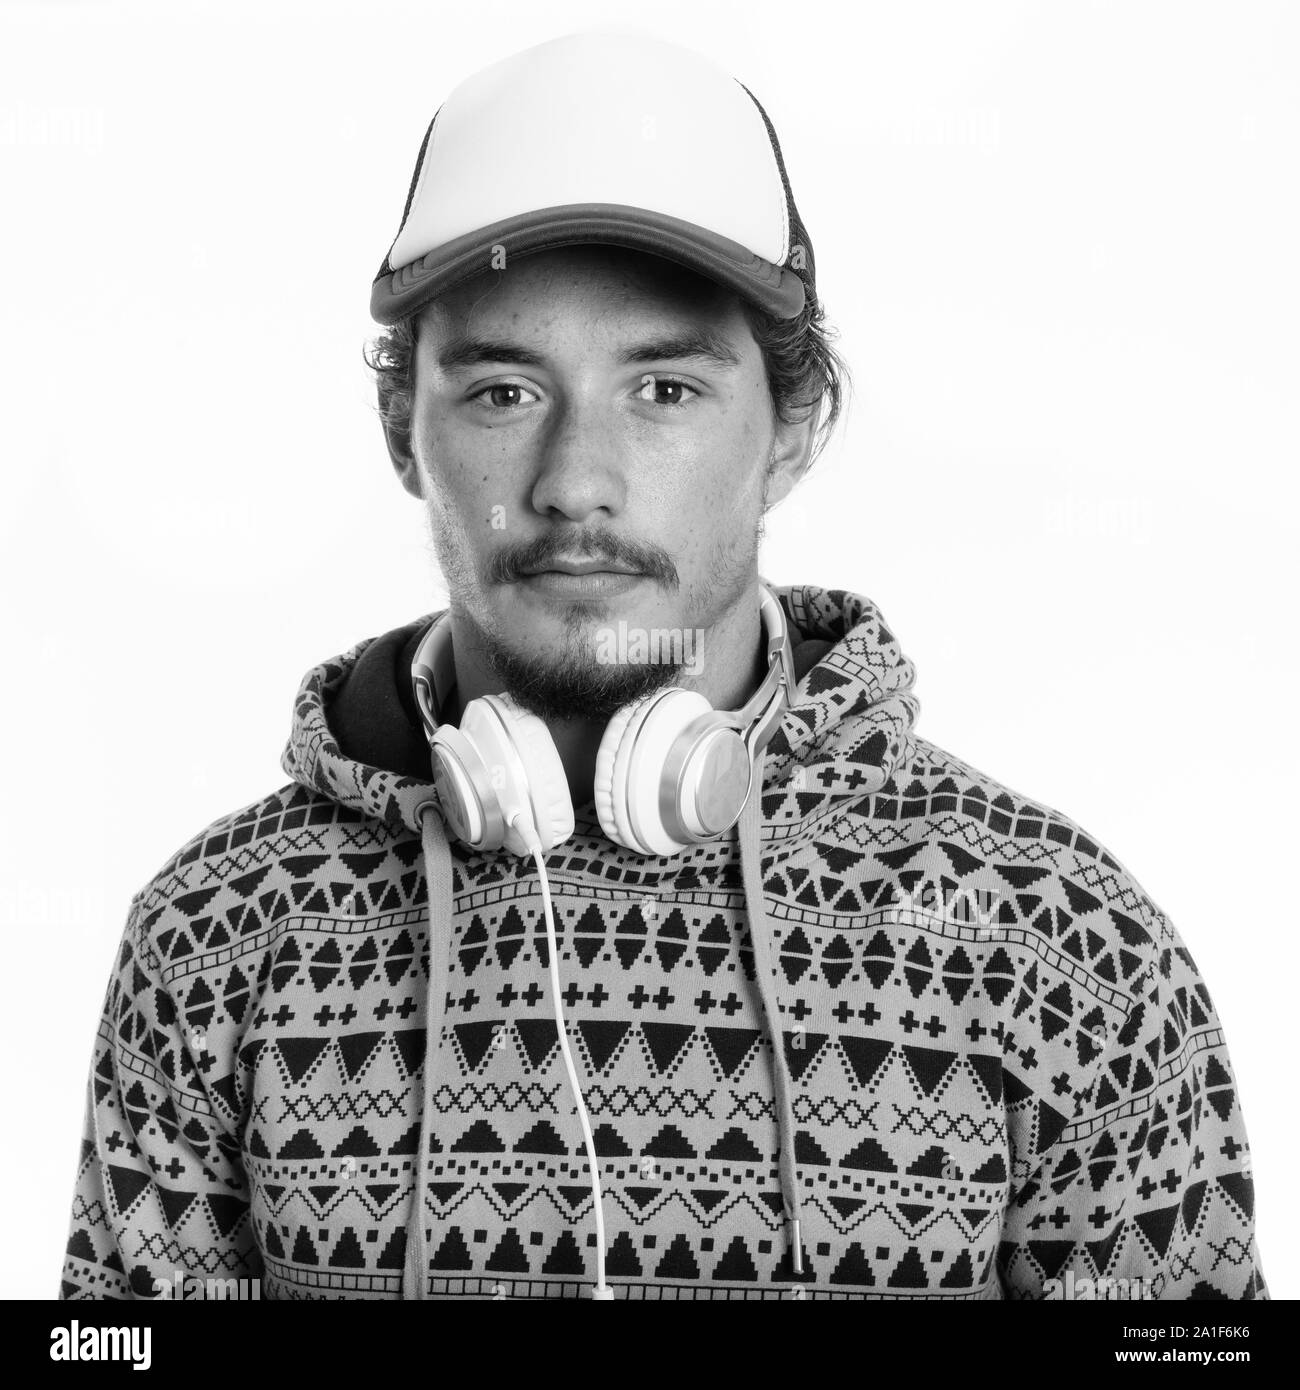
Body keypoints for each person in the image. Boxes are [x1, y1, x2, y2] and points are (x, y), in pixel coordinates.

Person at [59, 31, 1267, 1301]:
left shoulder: (1059, 942)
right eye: (505, 392)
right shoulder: (211, 938)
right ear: (400, 430)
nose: (576, 483)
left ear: (793, 430)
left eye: (667, 390)